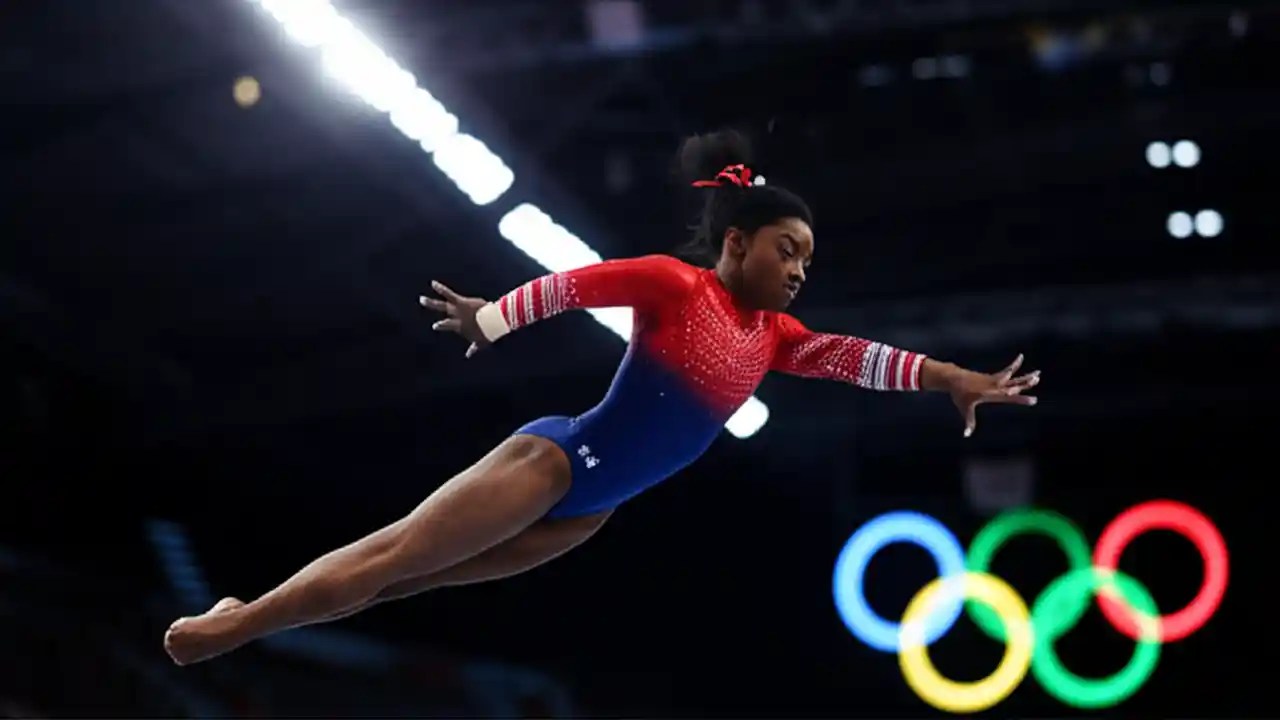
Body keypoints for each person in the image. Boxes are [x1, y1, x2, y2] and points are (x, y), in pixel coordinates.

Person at [163, 129, 1039, 665]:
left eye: (809, 259)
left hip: (588, 514)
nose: (801, 270)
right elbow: (578, 285)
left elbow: (860, 359)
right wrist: (493, 322)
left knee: (404, 585)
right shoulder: (675, 285)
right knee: (391, 560)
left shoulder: (776, 341)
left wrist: (953, 378)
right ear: (736, 242)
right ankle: (227, 630)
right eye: (788, 248)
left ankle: (248, 616)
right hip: (554, 464)